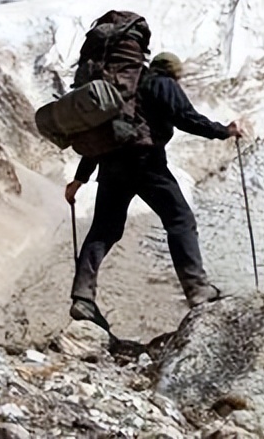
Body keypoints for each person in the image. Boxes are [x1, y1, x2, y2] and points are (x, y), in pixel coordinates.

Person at [65, 51, 244, 329]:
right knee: (180, 219)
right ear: (173, 72)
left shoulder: (120, 92)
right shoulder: (163, 84)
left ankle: (83, 298)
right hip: (146, 163)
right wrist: (224, 131)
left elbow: (100, 138)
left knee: (103, 230)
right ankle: (197, 290)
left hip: (111, 166)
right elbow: (186, 118)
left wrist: (80, 179)